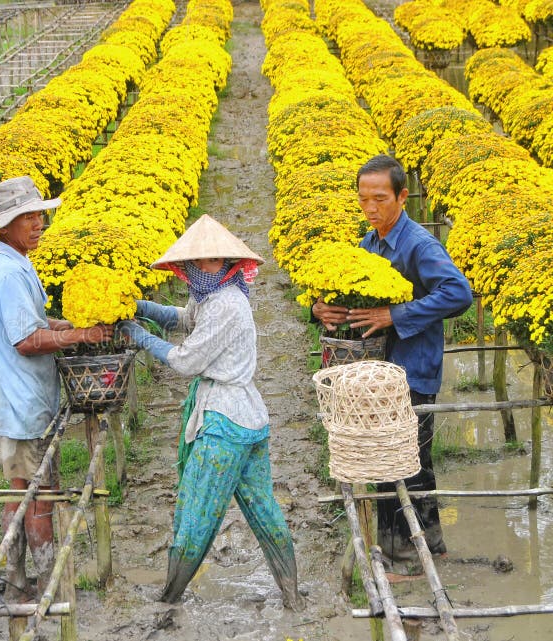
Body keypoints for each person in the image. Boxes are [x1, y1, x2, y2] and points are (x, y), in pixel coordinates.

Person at [118, 214, 303, 609]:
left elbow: (186, 361)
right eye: (198, 261)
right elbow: (187, 320)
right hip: (249, 419)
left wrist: (139, 335)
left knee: (195, 513)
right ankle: (292, 597)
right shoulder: (213, 297)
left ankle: (168, 599)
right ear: (187, 266)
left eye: (214, 261)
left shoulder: (227, 305)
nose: (205, 268)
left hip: (223, 423)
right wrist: (142, 307)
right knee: (263, 509)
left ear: (230, 263)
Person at [312, 154, 473, 565]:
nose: (370, 208)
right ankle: (397, 546)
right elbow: (357, 304)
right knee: (383, 459)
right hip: (376, 374)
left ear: (403, 196)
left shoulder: (419, 244)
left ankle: (422, 549)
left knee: (412, 460)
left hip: (413, 369)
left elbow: (458, 293)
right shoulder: (369, 244)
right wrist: (323, 310)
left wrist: (396, 315)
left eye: (380, 199)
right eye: (364, 199)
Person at [0, 176, 113, 601]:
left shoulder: (17, 263)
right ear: (4, 226)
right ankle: (45, 584)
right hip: (21, 406)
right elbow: (26, 341)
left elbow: (33, 324)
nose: (38, 224)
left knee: (22, 493)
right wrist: (82, 337)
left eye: (39, 215)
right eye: (28, 217)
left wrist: (65, 324)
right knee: (39, 498)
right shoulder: (8, 273)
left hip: (25, 401)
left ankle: (19, 580)